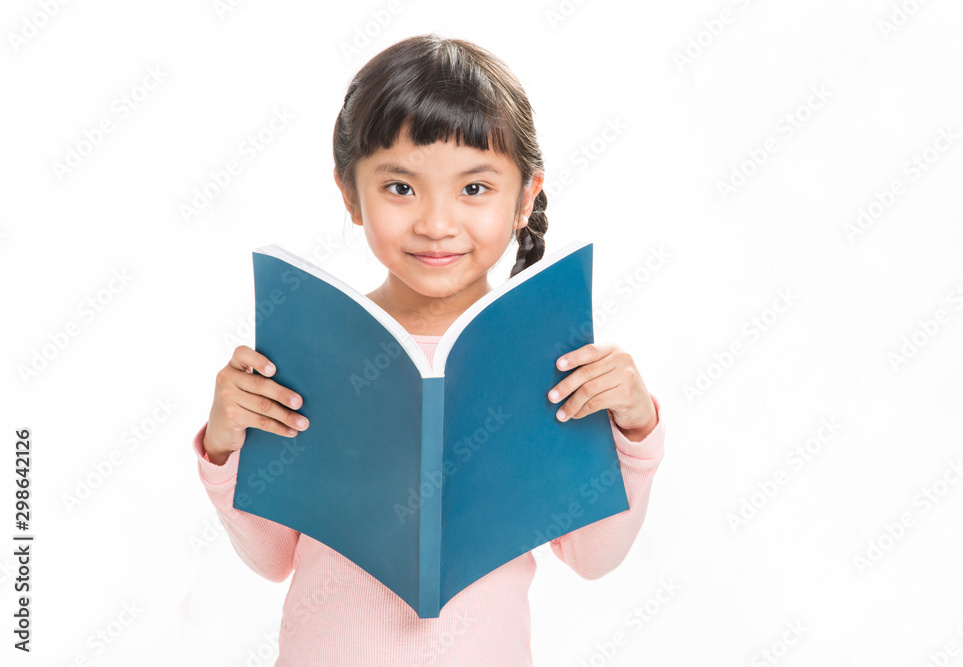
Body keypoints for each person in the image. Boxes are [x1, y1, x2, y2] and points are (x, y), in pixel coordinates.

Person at [192, 33, 665, 666]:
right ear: (349, 194)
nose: (436, 223)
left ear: (526, 197)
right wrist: (225, 447)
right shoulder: (316, 345)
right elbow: (271, 557)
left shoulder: (543, 358)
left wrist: (635, 432)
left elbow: (592, 558)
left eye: (475, 189)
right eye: (400, 188)